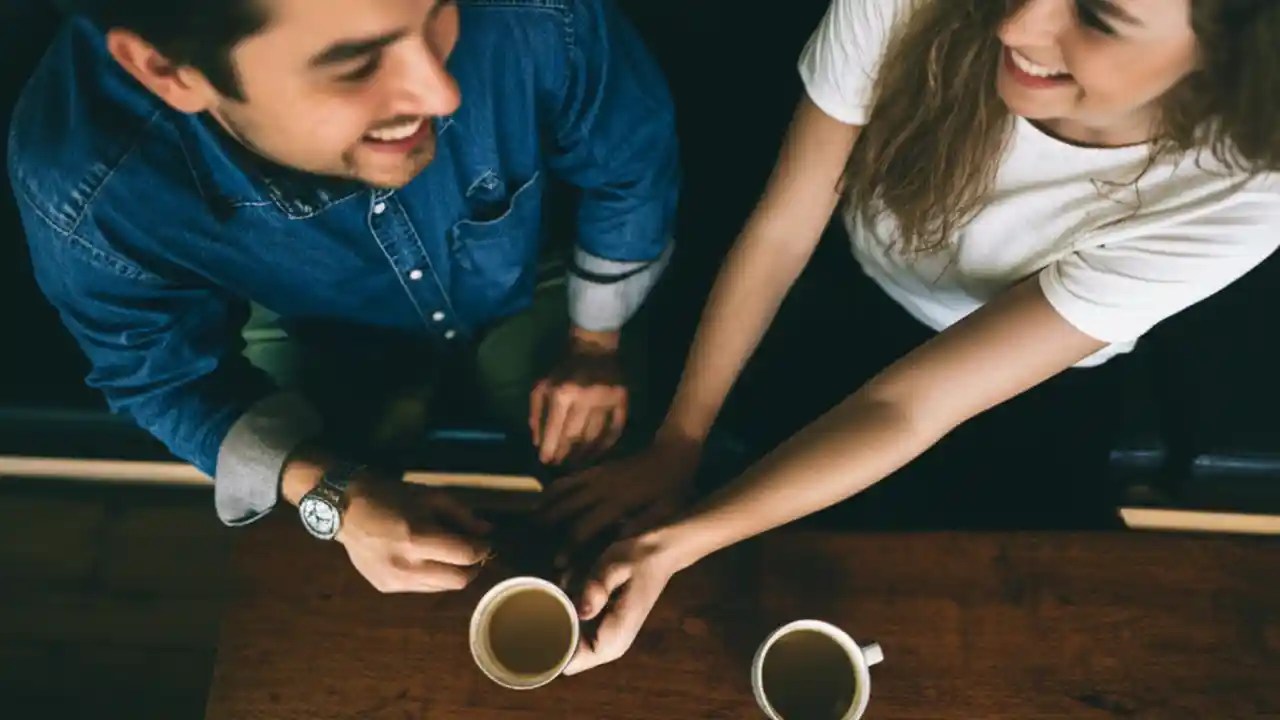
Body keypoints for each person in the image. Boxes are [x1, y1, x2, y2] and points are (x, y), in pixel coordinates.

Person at [546, 0, 1280, 675]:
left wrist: (677, 544)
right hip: (843, 282)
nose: (1014, 25)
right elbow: (782, 230)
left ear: (1236, 55)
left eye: (1097, 16)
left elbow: (916, 406)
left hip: (1039, 379)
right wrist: (680, 442)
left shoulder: (1246, 192)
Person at [8, 0, 678, 594]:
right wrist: (332, 493)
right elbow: (158, 374)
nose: (443, 95)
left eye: (439, 10)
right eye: (356, 63)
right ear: (169, 71)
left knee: (618, 508)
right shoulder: (85, 183)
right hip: (316, 329)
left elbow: (629, 163)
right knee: (321, 574)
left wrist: (595, 341)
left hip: (536, 279)